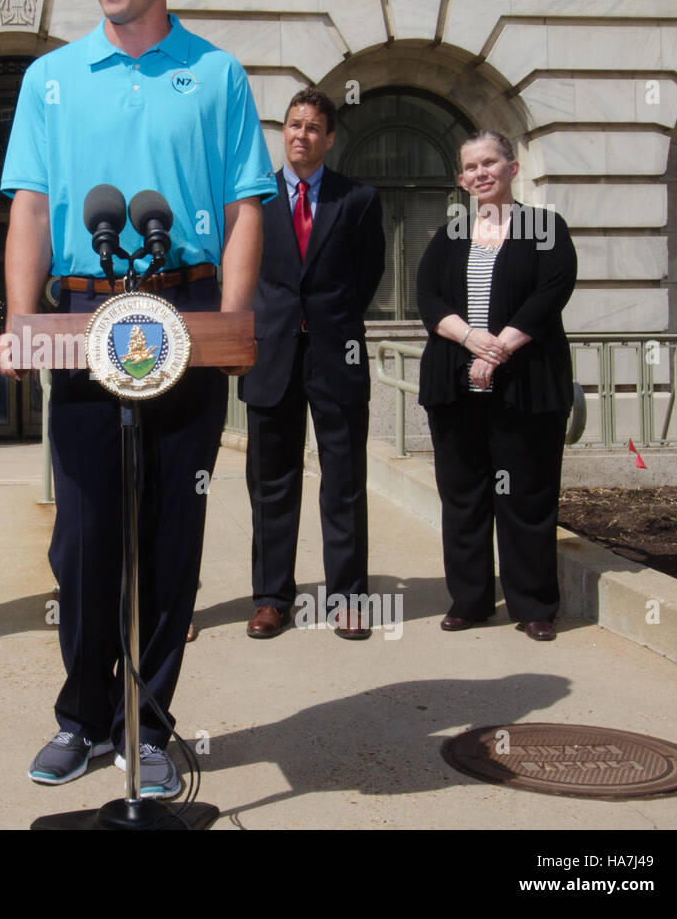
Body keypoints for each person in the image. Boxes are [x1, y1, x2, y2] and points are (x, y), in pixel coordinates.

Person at [0, 0, 274, 798]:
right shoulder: (51, 78)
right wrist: (18, 321)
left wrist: (229, 329)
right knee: (82, 539)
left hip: (184, 318)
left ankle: (148, 724)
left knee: (169, 534)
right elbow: (30, 210)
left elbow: (242, 211)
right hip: (81, 320)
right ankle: (82, 717)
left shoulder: (219, 76)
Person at [416, 130, 577, 641]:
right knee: (463, 497)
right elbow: (428, 298)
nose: (481, 173)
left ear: (512, 168)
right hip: (456, 387)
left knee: (526, 496)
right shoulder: (450, 234)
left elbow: (551, 293)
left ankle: (533, 606)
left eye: (491, 162)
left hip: (525, 387)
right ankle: (469, 600)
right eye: (471, 167)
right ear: (462, 179)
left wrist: (499, 349)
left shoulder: (544, 228)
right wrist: (472, 341)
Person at [240, 87, 384, 641]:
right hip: (271, 355)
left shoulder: (359, 199)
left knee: (343, 482)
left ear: (329, 138)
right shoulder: (254, 198)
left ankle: (346, 597)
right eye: (294, 125)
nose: (302, 135)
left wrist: (329, 321)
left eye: (313, 128)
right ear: (285, 132)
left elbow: (367, 275)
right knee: (271, 483)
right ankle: (273, 597)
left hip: (336, 355)